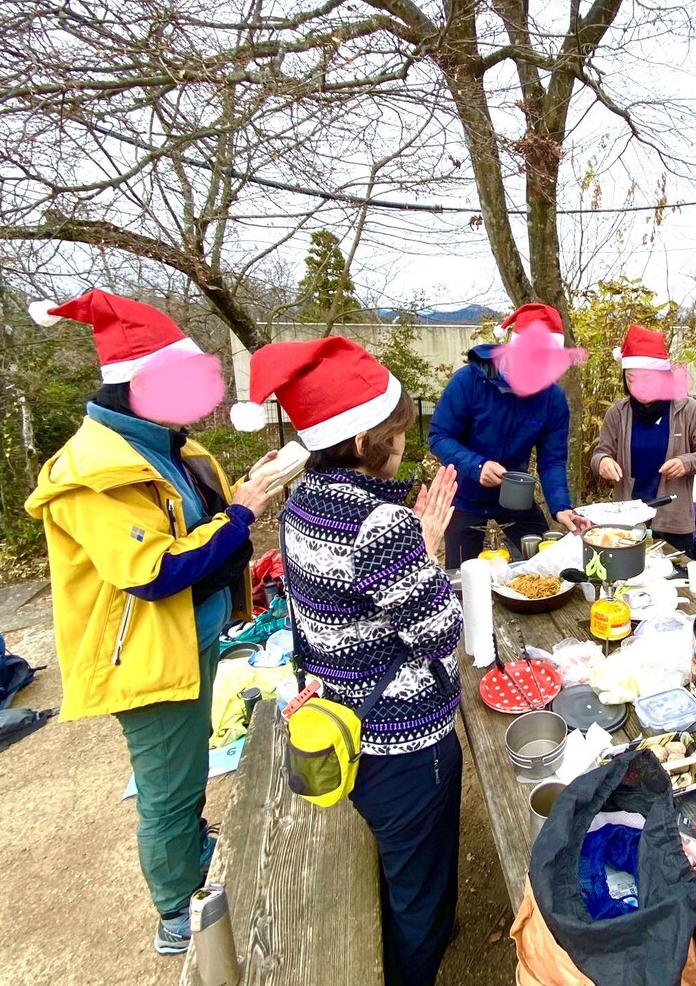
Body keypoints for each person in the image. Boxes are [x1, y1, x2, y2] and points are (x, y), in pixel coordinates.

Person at [24, 290, 278, 955]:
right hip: (143, 653)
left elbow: (197, 524)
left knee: (187, 767)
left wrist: (238, 501)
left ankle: (192, 845)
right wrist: (243, 514)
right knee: (167, 786)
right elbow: (155, 570)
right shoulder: (93, 474)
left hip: (190, 638)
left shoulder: (167, 446)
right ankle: (175, 911)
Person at [242, 335, 463, 986]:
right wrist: (428, 548)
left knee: (404, 864)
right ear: (364, 440)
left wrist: (412, 550)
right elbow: (439, 632)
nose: (404, 443)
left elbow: (346, 606)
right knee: (416, 889)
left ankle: (424, 931)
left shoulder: (303, 501)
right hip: (404, 741)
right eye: (396, 434)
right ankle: (416, 961)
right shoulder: (379, 523)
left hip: (346, 722)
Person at [429, 303, 589, 564]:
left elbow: (552, 460)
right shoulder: (468, 381)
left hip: (515, 495)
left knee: (544, 563)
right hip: (464, 493)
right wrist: (477, 466)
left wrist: (561, 507)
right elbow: (440, 436)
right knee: (462, 572)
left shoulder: (552, 398)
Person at [589, 324, 696, 554]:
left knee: (675, 574)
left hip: (673, 522)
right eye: (631, 379)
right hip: (629, 522)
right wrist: (602, 462)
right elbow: (601, 453)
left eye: (647, 379)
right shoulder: (618, 413)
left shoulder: (687, 409)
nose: (638, 386)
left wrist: (686, 462)